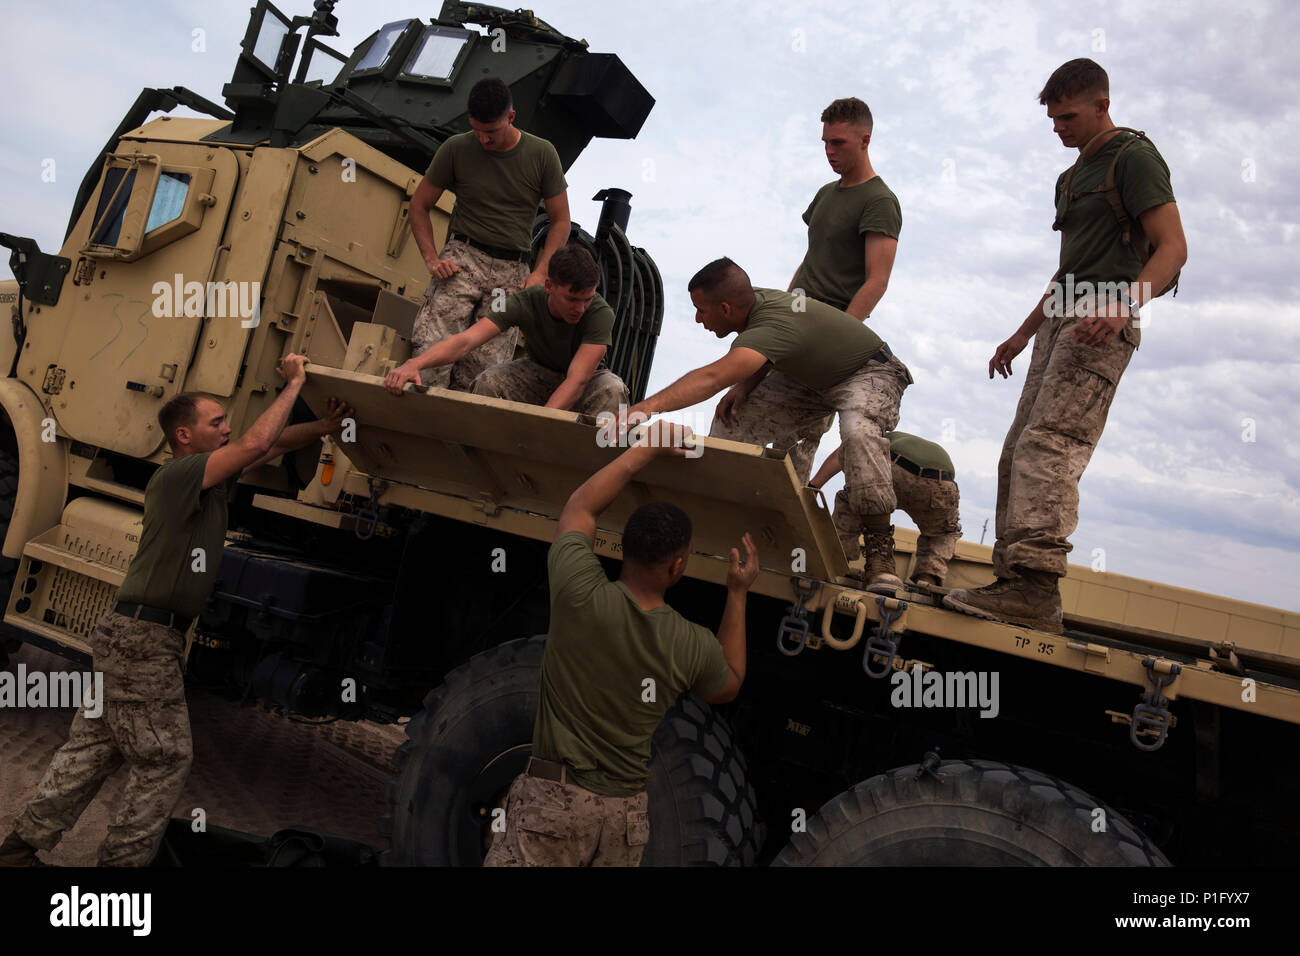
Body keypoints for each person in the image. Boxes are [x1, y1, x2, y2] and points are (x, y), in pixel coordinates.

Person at [0, 356, 352, 866]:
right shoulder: (181, 474)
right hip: (144, 638)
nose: (228, 428)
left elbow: (269, 445)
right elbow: (254, 443)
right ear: (184, 436)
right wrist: (295, 382)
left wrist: (321, 427)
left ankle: (19, 847)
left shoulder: (205, 479)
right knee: (166, 758)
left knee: (92, 749)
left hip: (135, 633)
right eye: (216, 423)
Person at [944, 59, 1187, 634]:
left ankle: (1036, 588)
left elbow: (1173, 249)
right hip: (1060, 322)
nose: (1059, 127)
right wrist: (1022, 332)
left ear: (1103, 105)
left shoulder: (1134, 158)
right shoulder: (1072, 177)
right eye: (1053, 119)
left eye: (1069, 116)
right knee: (1017, 450)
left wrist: (1125, 305)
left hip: (1103, 321)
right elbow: (1068, 271)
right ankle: (1012, 582)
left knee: (1051, 447)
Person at [484, 422, 759, 866]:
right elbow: (729, 682)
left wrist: (645, 450)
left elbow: (580, 508)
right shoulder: (688, 644)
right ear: (678, 566)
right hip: (624, 820)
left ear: (621, 547)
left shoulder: (579, 595)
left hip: (554, 803)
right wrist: (737, 592)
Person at [627, 257, 912, 594]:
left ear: (726, 308)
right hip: (811, 379)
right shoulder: (753, 302)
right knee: (733, 422)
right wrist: (745, 385)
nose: (697, 318)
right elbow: (771, 350)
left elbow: (712, 377)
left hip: (870, 372)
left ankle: (880, 554)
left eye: (701, 310)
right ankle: (721, 522)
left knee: (858, 434)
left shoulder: (768, 323)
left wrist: (643, 409)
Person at [713, 97, 902, 483]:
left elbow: (877, 281)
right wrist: (747, 380)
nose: (829, 152)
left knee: (792, 460)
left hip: (826, 345)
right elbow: (809, 262)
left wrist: (837, 342)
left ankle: (782, 538)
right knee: (729, 428)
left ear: (865, 140)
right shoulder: (824, 195)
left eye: (839, 143)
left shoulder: (880, 201)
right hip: (790, 335)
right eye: (825, 143)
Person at [408, 76, 572, 390]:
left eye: (492, 132)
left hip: (512, 271)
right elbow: (419, 206)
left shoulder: (542, 154)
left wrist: (540, 273)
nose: (484, 140)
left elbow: (561, 220)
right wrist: (431, 258)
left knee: (485, 372)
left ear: (511, 117)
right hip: (462, 260)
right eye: (478, 130)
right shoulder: (456, 148)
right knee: (430, 352)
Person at [383, 244, 628, 416]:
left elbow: (578, 379)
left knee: (612, 389)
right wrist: (415, 364)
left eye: (588, 299)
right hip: (538, 374)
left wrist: (537, 426)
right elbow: (466, 341)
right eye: (572, 299)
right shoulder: (525, 301)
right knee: (488, 382)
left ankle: (589, 476)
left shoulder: (600, 313)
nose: (581, 308)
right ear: (549, 286)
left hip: (585, 382)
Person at [809, 432, 961, 587]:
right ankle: (928, 580)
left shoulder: (878, 435)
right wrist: (945, 546)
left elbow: (847, 450)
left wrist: (815, 485)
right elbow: (946, 525)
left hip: (895, 467)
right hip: (942, 484)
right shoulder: (931, 450)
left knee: (851, 501)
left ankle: (838, 561)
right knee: (943, 533)